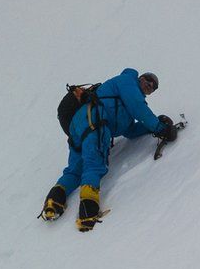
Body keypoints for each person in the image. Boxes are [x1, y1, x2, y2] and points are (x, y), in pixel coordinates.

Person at [40, 68, 178, 231]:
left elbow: (129, 131)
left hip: (79, 126)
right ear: (140, 78)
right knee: (94, 165)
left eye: (153, 87)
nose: (150, 85)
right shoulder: (127, 81)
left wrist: (150, 127)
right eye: (148, 80)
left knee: (75, 170)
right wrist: (159, 127)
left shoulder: (122, 104)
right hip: (94, 121)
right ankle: (87, 213)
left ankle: (53, 202)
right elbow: (138, 108)